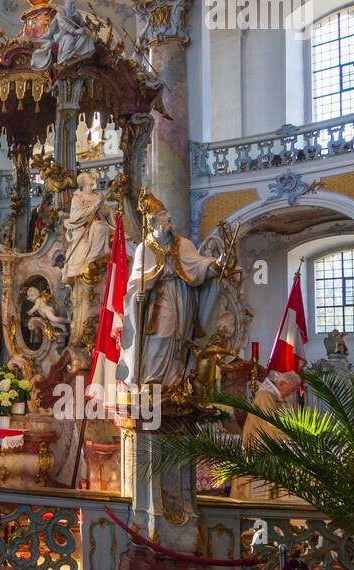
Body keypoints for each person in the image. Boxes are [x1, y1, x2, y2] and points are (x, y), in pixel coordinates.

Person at [117, 196, 225, 388]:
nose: (170, 222)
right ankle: (153, 381)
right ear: (153, 224)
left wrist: (217, 264)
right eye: (164, 219)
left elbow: (198, 267)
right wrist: (138, 293)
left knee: (180, 339)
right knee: (161, 336)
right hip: (157, 299)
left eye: (169, 218)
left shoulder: (183, 244)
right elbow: (135, 281)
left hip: (181, 296)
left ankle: (175, 384)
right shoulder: (144, 247)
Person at [230, 371, 303, 501]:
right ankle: (264, 504)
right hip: (261, 446)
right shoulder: (265, 396)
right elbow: (268, 423)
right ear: (281, 383)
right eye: (293, 388)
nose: (295, 391)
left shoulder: (280, 400)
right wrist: (290, 441)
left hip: (274, 445)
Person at [61, 171, 113, 284]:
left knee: (101, 227)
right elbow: (76, 216)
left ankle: (98, 257)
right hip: (80, 226)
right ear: (83, 182)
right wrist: (95, 206)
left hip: (96, 223)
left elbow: (104, 214)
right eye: (88, 176)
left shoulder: (96, 196)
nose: (91, 176)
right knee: (82, 243)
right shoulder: (77, 198)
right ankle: (84, 264)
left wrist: (103, 208)